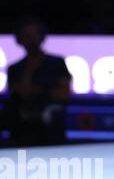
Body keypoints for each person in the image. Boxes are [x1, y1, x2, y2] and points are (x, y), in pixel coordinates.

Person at [2, 17, 72, 147]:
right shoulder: (15, 68)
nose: (31, 39)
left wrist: (40, 92)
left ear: (42, 36)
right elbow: (16, 93)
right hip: (22, 129)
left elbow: (64, 94)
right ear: (19, 39)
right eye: (26, 35)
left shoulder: (56, 63)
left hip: (51, 128)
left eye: (34, 34)